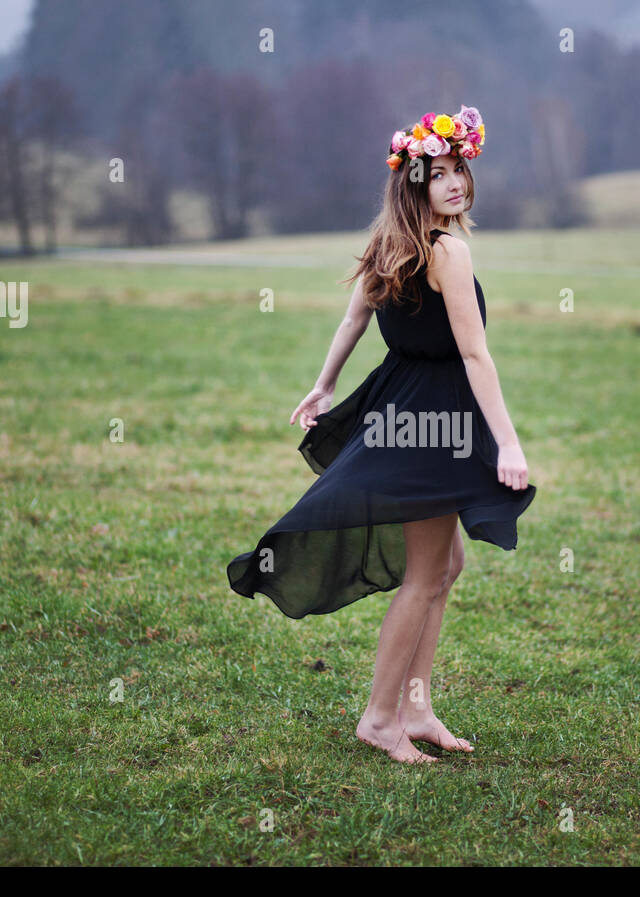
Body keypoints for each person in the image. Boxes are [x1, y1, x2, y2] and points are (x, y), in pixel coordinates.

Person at [226, 105, 536, 764]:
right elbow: (475, 355)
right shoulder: (446, 251)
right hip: (430, 420)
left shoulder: (390, 245)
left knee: (445, 565)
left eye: (461, 171)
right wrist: (508, 443)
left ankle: (417, 708)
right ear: (414, 182)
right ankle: (379, 718)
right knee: (424, 577)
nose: (456, 183)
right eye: (441, 173)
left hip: (415, 412)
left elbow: (352, 324)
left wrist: (326, 383)